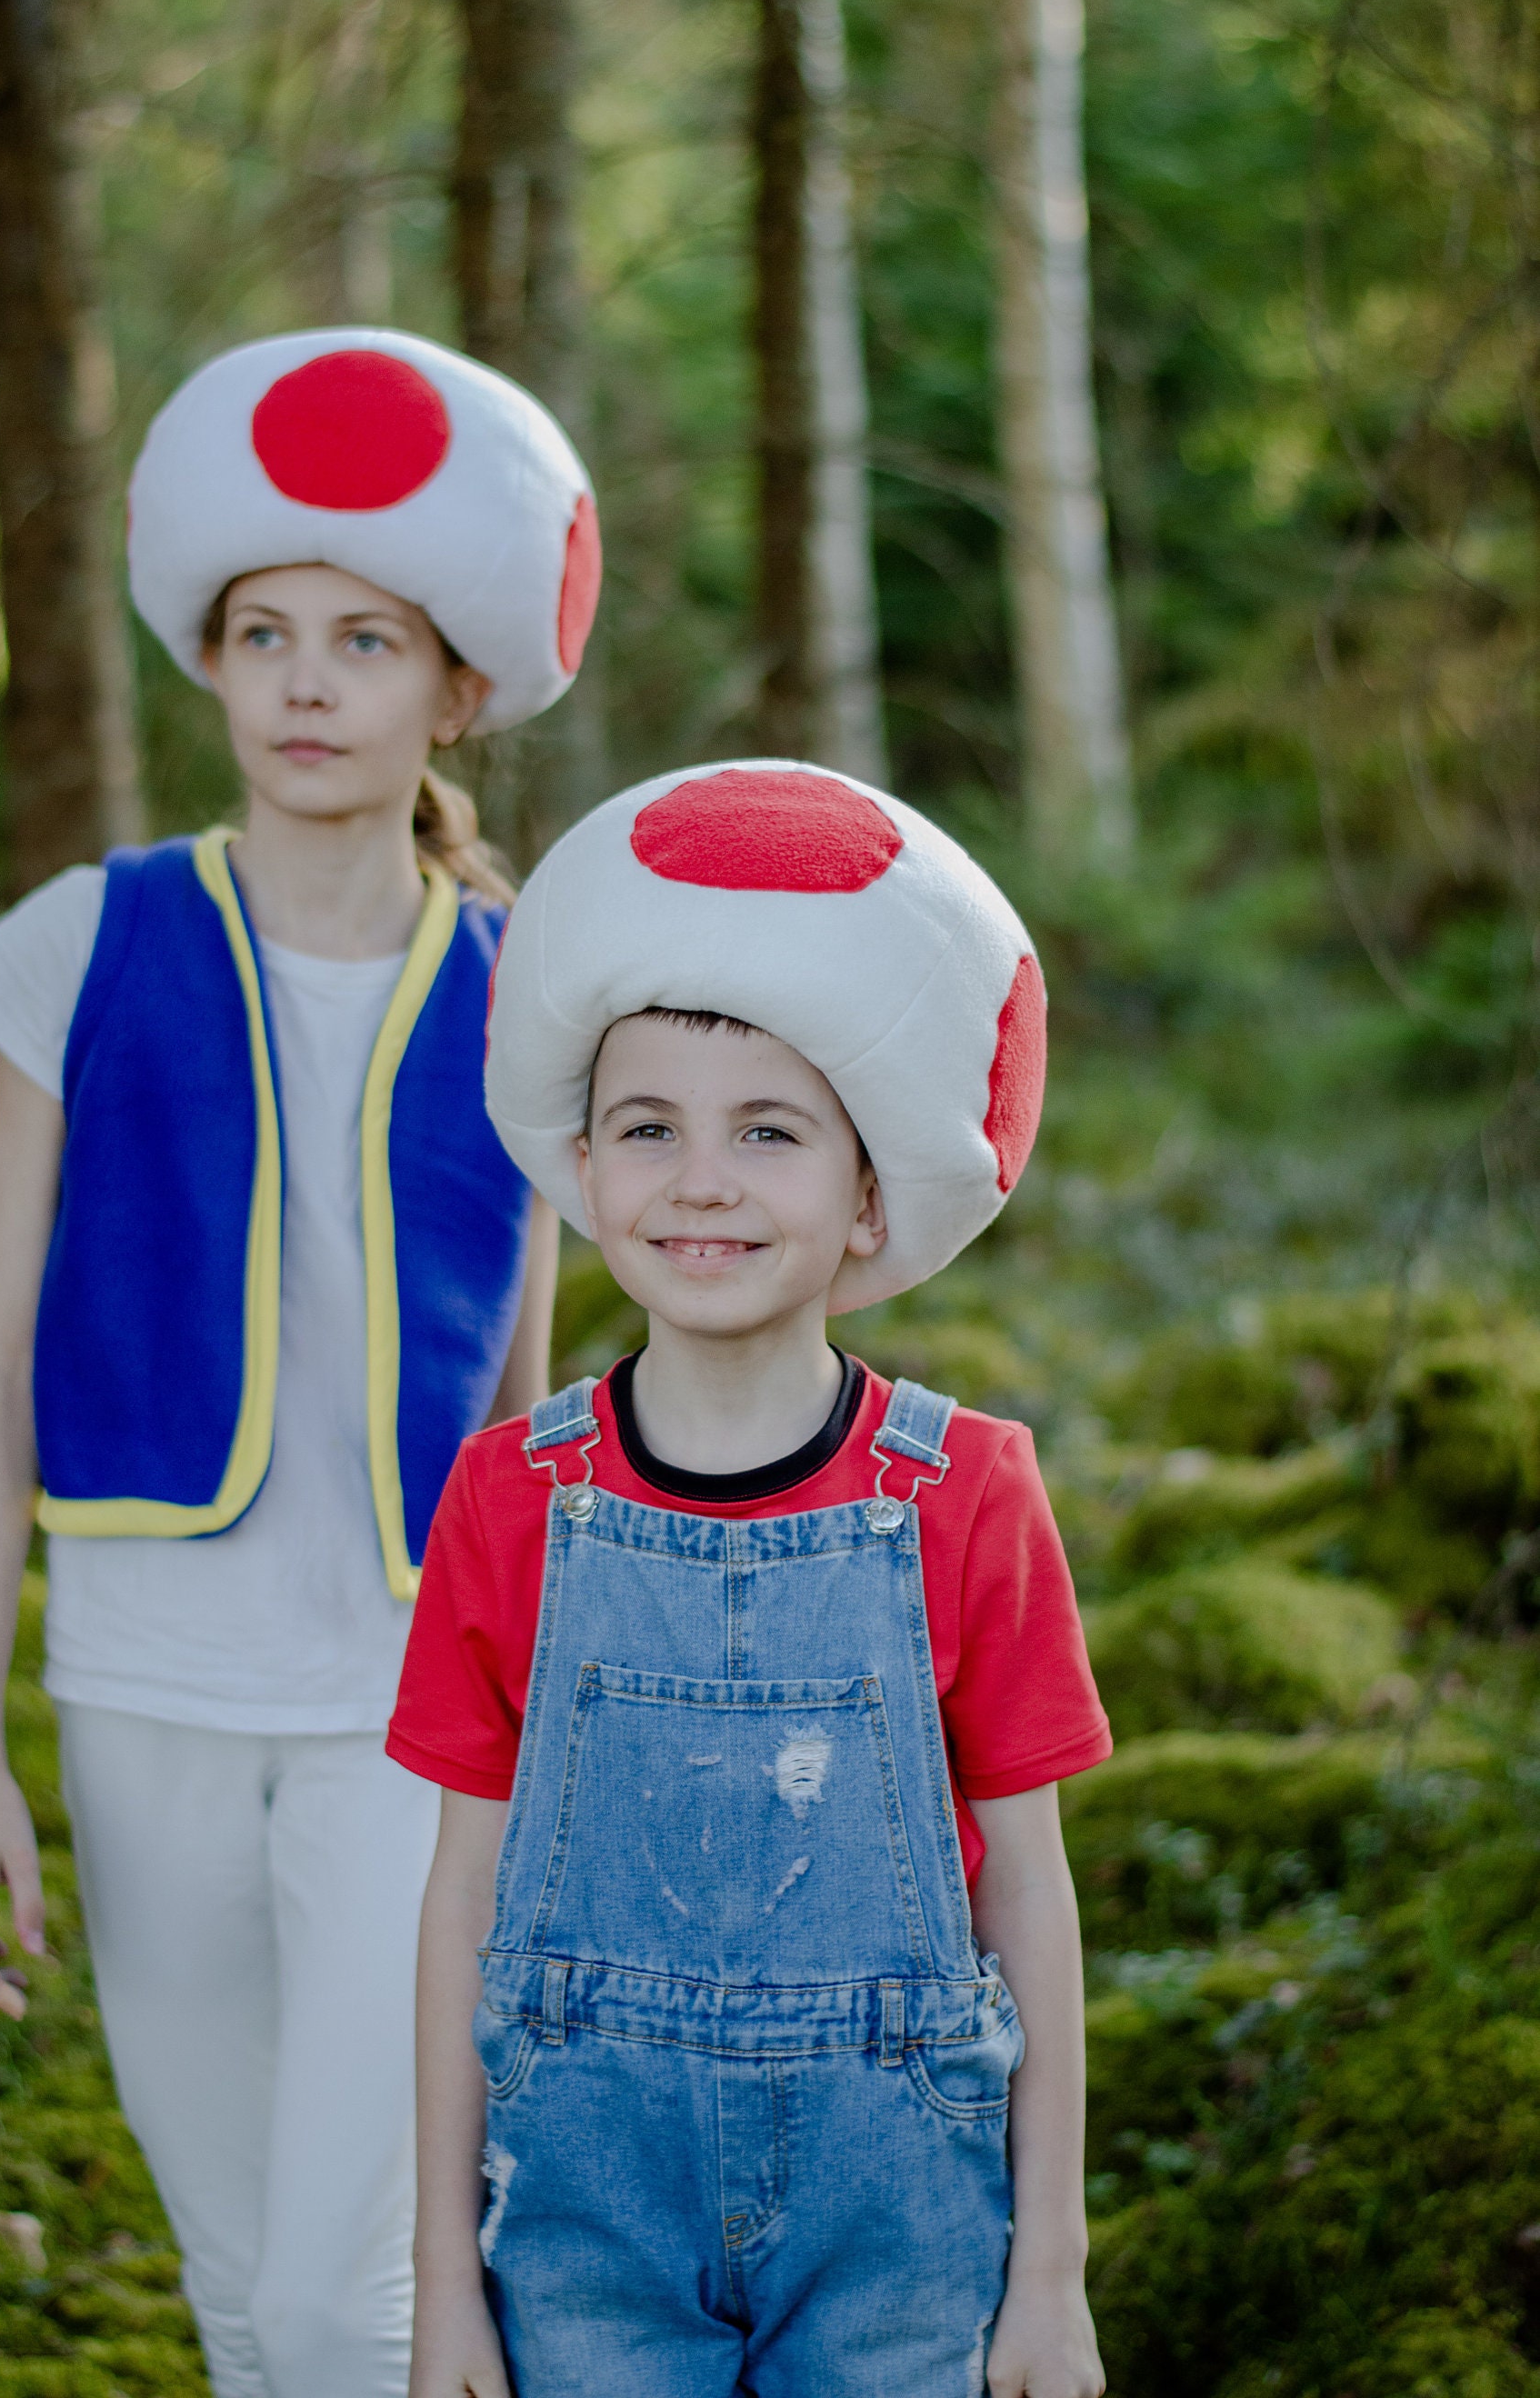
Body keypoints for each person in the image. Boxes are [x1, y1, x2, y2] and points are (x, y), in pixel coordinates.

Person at [0, 329, 605, 2398]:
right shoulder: (86, 941)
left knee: (353, 2301)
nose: (308, 684)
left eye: (364, 641)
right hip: (135, 1692)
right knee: (244, 2303)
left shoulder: (527, 999)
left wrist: (547, 1735)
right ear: (208, 662)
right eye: (263, 635)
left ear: (453, 686)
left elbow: (528, 1423)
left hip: (404, 1724)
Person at [392, 760, 1111, 2398]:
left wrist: (1050, 2270)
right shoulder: (512, 1498)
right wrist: (442, 2283)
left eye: (769, 1133)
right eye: (649, 1129)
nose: (701, 1181)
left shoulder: (967, 1493)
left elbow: (1031, 1897)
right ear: (584, 1167)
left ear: (870, 1194)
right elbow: (459, 1905)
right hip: (585, 2233)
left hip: (902, 2237)